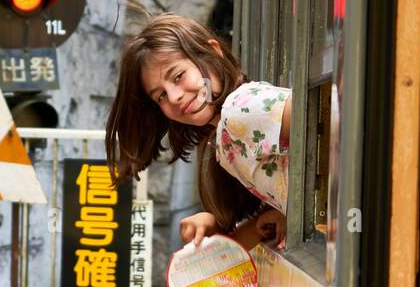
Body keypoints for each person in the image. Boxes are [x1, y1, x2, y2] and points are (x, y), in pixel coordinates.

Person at [105, 13, 289, 253]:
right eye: (160, 95)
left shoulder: (241, 107)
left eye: (178, 76)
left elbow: (330, 117)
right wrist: (218, 227)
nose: (174, 96)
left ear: (212, 52)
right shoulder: (223, 145)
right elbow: (237, 251)